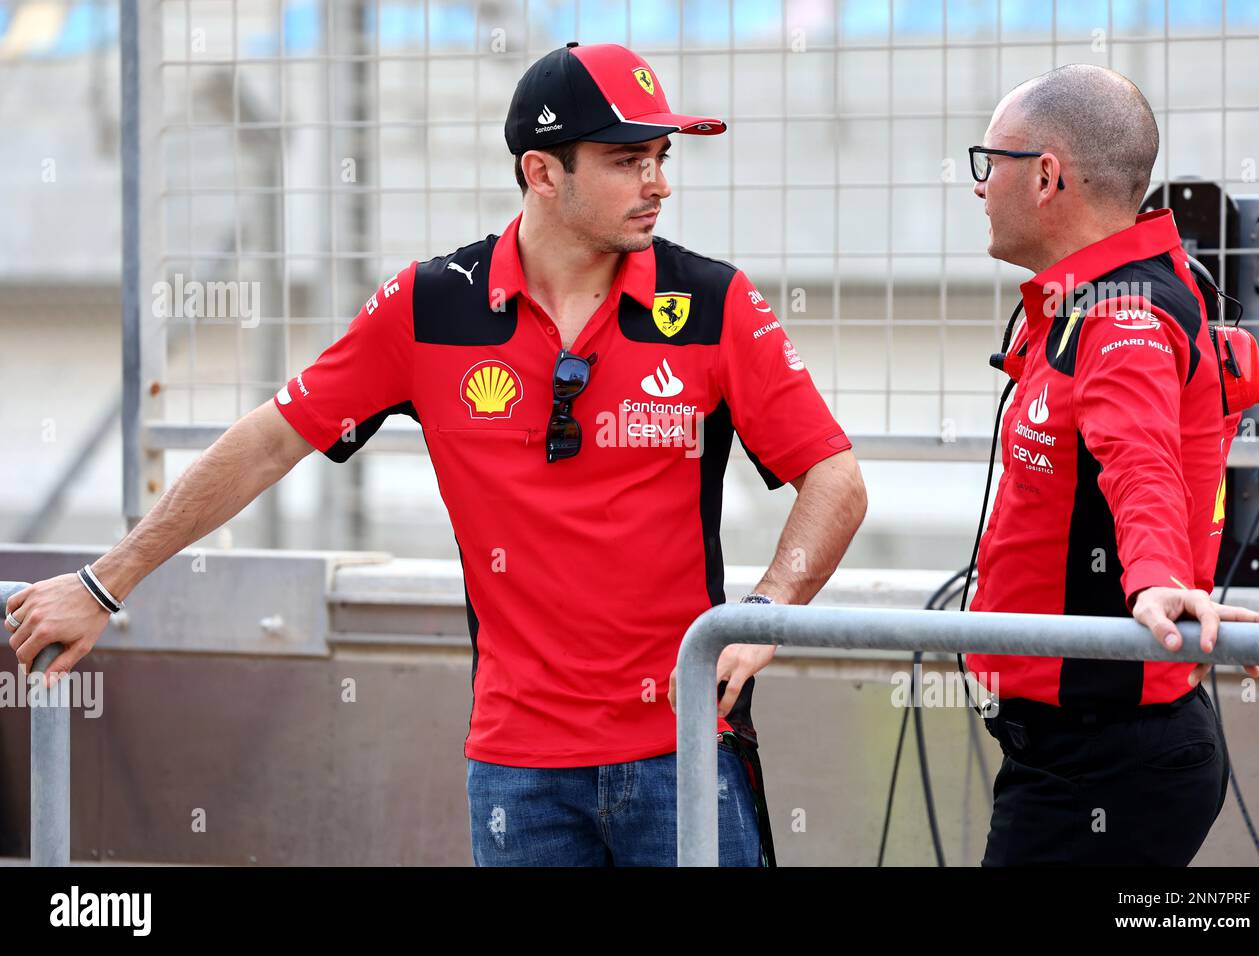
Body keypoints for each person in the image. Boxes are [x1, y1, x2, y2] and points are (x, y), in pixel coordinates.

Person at [4, 42, 867, 867]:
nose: (658, 183)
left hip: (683, 751)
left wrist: (763, 613)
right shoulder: (429, 306)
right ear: (542, 170)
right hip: (518, 772)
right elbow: (269, 442)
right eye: (625, 159)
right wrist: (104, 581)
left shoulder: (713, 301)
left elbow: (835, 477)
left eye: (660, 156)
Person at [965, 63, 1259, 866]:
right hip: (1079, 749)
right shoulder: (1092, 299)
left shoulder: (1122, 314)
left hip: (1106, 761)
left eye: (987, 162)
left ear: (1046, 176)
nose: (977, 187)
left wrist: (1154, 579)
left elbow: (1137, 459)